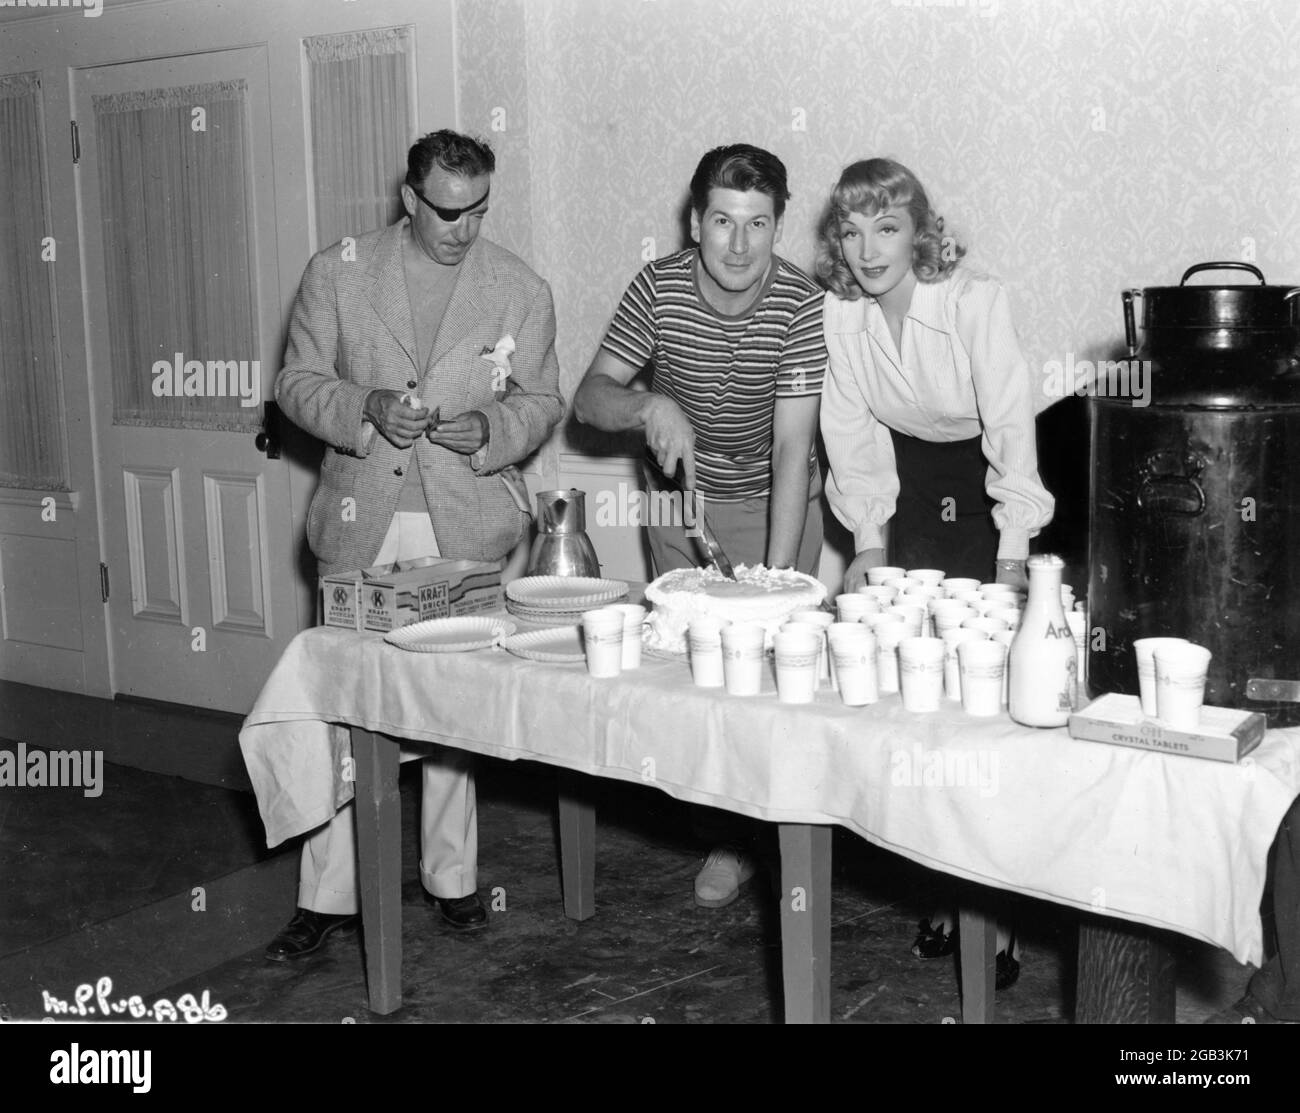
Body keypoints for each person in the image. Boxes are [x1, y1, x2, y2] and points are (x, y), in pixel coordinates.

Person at [264, 129, 563, 959]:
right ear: (409, 197)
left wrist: (491, 428)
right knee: (345, 704)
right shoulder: (339, 270)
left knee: (452, 705)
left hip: (464, 523)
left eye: (478, 210)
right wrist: (363, 407)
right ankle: (326, 894)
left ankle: (452, 875)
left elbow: (544, 400)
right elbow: (294, 383)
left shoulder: (520, 287)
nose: (463, 228)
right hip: (364, 521)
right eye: (445, 211)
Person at [816, 157, 1055, 987]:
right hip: (908, 495)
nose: (868, 248)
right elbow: (849, 434)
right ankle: (939, 893)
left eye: (887, 227)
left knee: (979, 713)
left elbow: (1013, 431)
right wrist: (869, 547)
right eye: (851, 230)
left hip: (987, 497)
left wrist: (1014, 556)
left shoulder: (974, 304)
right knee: (915, 707)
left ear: (921, 232)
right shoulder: (839, 316)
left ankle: (999, 916)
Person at [574, 143, 825, 908]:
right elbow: (588, 398)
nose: (739, 245)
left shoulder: (802, 300)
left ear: (778, 228)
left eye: (758, 224)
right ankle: (728, 833)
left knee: (773, 675)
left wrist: (775, 579)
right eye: (723, 221)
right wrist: (649, 404)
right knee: (699, 677)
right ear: (695, 221)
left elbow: (792, 447)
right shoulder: (658, 285)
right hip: (676, 503)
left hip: (773, 498)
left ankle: (788, 839)